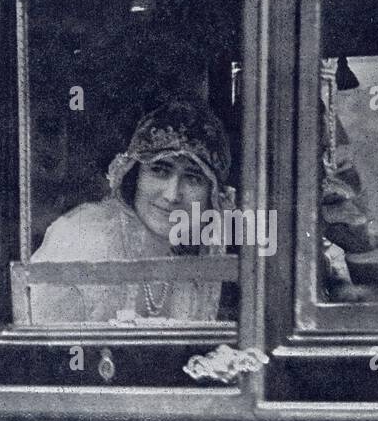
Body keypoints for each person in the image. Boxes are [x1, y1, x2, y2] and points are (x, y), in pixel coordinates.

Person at [26, 100, 235, 324]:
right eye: (159, 170)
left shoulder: (191, 266)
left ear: (211, 195)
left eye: (193, 178)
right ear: (134, 176)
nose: (172, 195)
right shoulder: (84, 240)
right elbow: (46, 352)